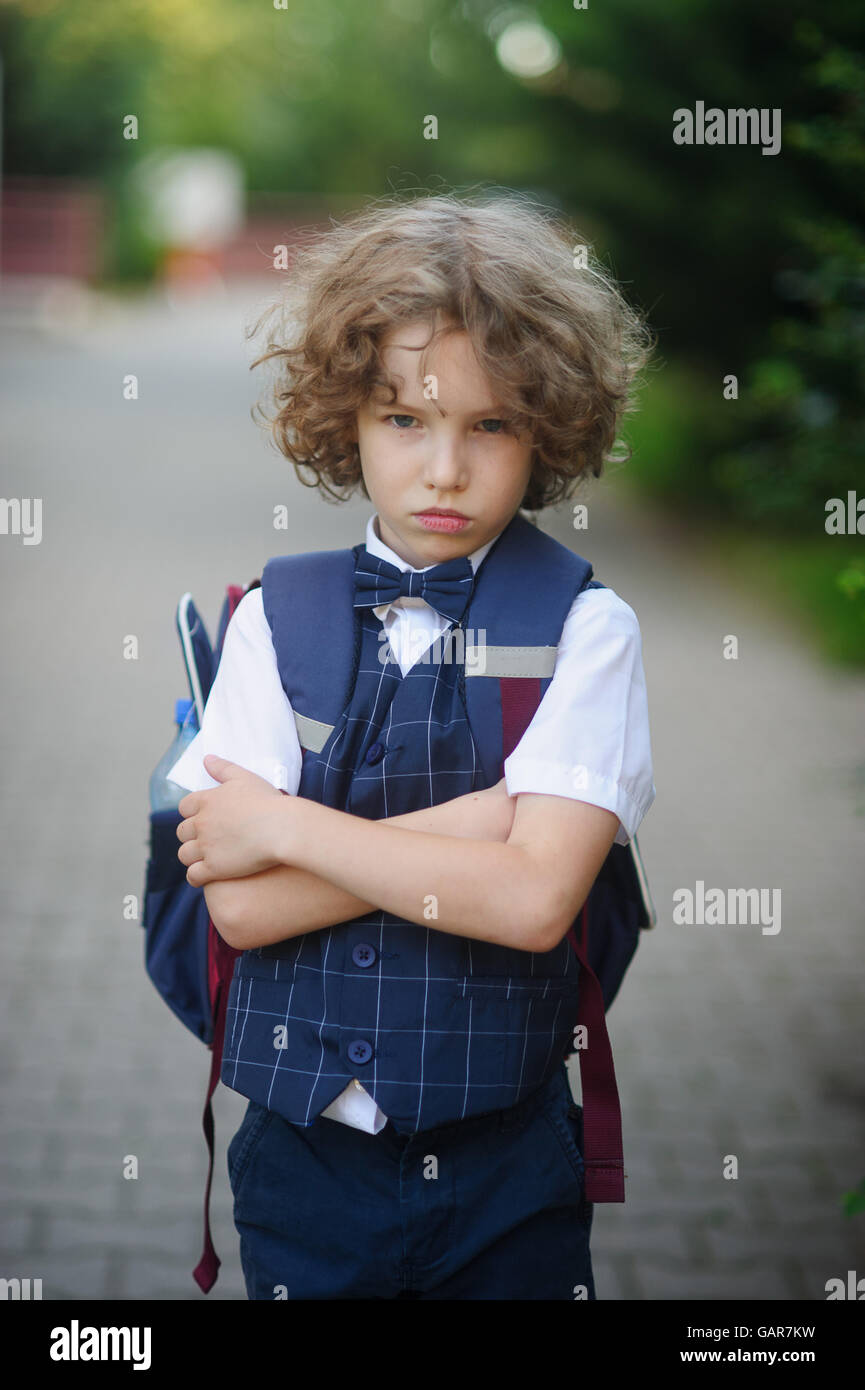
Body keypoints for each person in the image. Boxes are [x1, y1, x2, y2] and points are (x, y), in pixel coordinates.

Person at [167, 191, 656, 1300]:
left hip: (508, 1162)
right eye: (405, 420)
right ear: (345, 417)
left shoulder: (583, 627)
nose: (444, 469)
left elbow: (535, 904)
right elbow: (238, 907)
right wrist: (491, 825)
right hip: (302, 1162)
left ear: (549, 427)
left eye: (489, 424)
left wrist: (286, 827)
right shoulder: (269, 616)